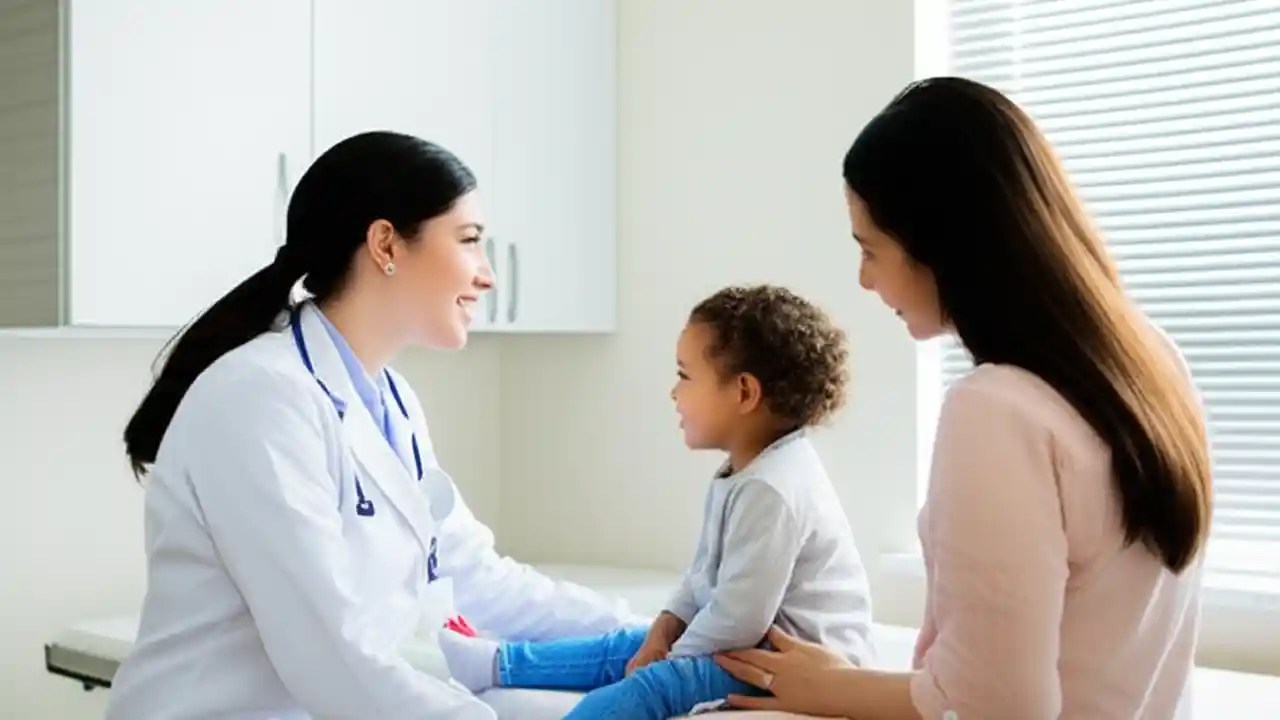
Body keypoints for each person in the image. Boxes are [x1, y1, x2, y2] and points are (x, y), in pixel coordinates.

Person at [715, 77, 1211, 719]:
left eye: (871, 250)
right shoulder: (1154, 360)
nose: (863, 280)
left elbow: (997, 709)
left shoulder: (997, 410)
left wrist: (838, 691)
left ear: (945, 246)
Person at [106, 131, 640, 720]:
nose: (487, 275)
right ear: (385, 243)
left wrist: (652, 634)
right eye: (468, 242)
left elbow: (476, 580)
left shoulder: (389, 400)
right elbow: (331, 656)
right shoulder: (259, 398)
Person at [436, 285, 874, 719]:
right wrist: (664, 628)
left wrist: (669, 660)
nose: (673, 393)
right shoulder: (745, 470)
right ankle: (495, 664)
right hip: (751, 644)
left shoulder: (773, 488)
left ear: (743, 393)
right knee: (631, 642)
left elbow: (740, 617)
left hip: (788, 661)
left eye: (684, 376)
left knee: (651, 688)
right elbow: (703, 577)